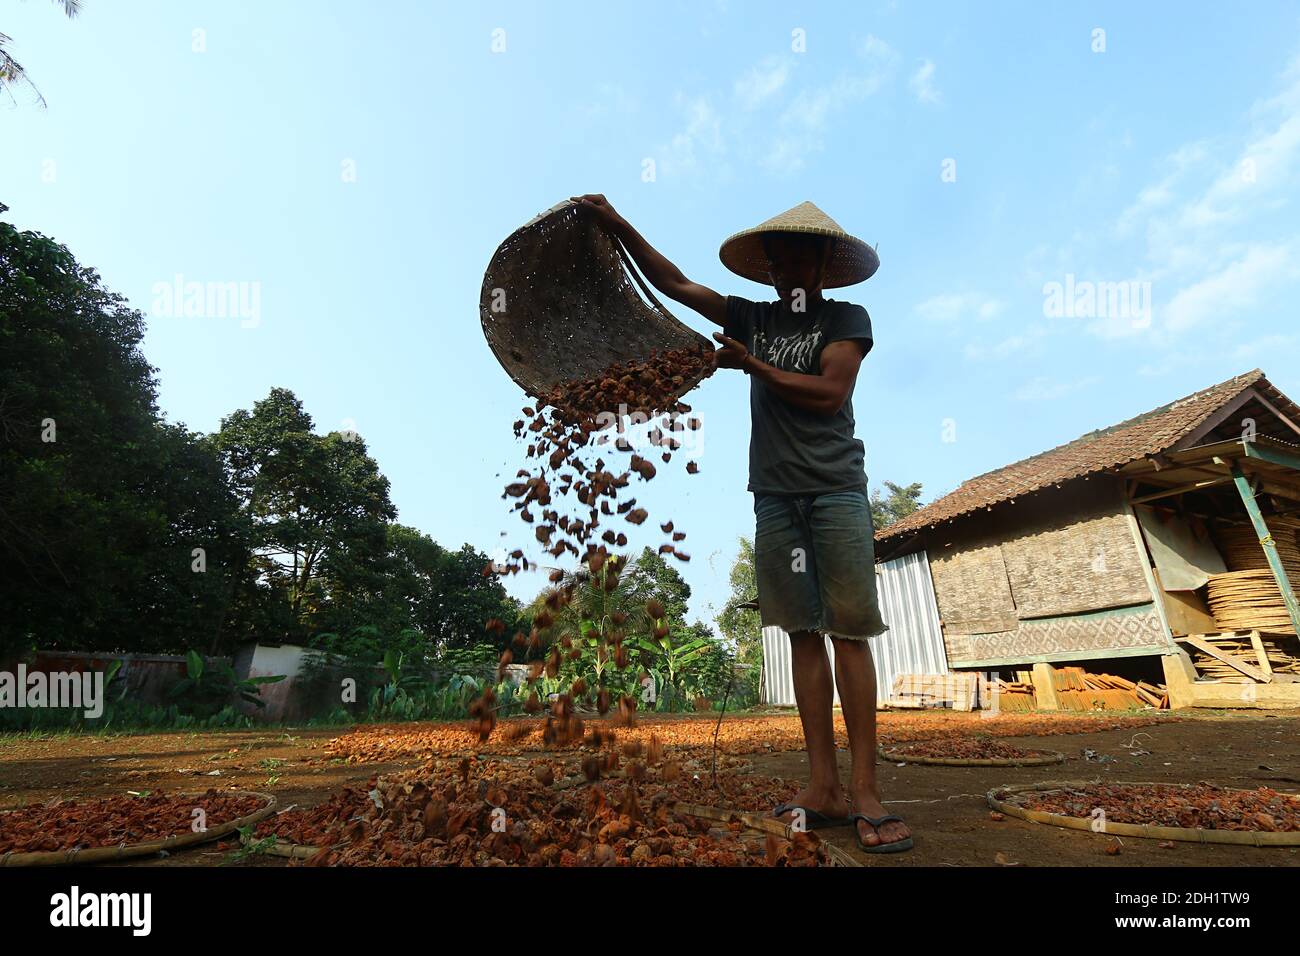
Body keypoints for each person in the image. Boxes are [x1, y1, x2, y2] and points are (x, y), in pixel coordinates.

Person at [570, 194, 912, 853]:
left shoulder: (847, 317)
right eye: (780, 259)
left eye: (802, 258)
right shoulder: (752, 316)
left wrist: (752, 365)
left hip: (835, 489)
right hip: (775, 497)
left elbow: (831, 392)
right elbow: (675, 284)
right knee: (802, 635)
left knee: (849, 634)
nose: (790, 270)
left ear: (823, 265)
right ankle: (824, 788)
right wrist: (617, 224)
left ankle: (866, 790)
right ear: (772, 268)